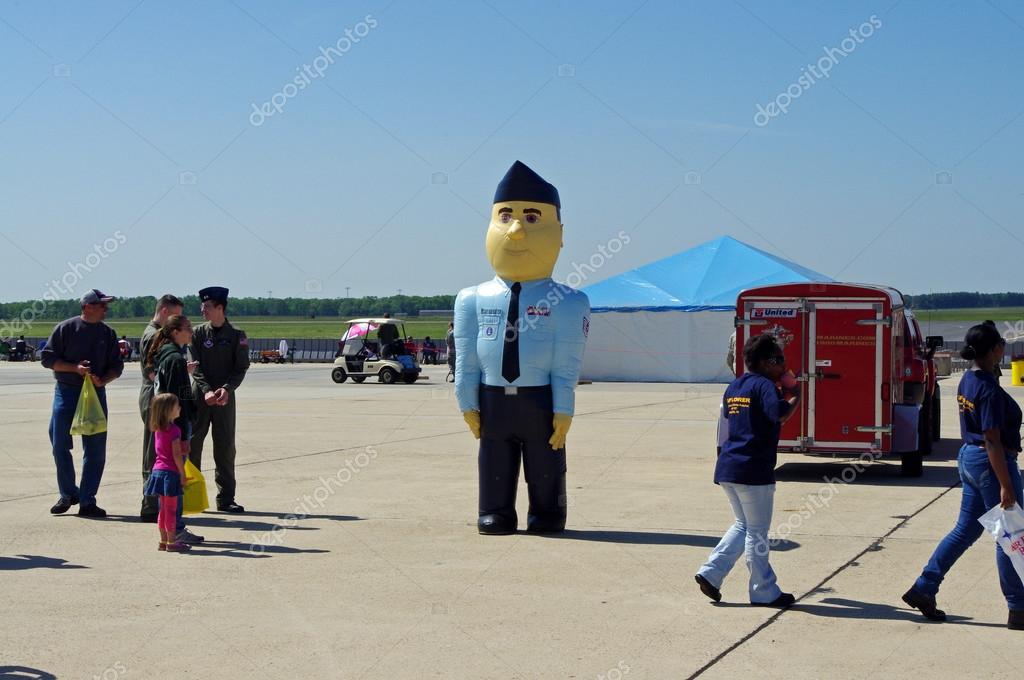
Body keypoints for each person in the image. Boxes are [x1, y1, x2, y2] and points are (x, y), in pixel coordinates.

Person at [454, 160, 590, 535]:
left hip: (539, 398)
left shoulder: (568, 301)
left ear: (559, 234)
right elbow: (466, 358)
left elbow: (566, 363)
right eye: (505, 216)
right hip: (493, 397)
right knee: (493, 460)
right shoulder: (472, 299)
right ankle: (495, 509)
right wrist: (466, 401)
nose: (515, 231)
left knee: (546, 460)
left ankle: (547, 511)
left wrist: (564, 408)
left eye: (532, 218)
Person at [903, 324, 1024, 630]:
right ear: (994, 350)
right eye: (1001, 345)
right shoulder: (987, 388)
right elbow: (993, 439)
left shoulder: (968, 380)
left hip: (970, 458)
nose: (1004, 349)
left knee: (966, 530)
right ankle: (1019, 607)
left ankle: (924, 587)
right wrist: (1006, 486)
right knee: (1009, 534)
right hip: (990, 461)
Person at [695, 334, 801, 608]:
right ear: (768, 362)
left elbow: (731, 421)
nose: (784, 366)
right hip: (754, 469)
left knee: (743, 525)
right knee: (757, 531)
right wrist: (796, 394)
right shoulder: (765, 386)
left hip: (729, 467)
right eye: (780, 360)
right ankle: (764, 591)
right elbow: (779, 414)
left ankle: (711, 573)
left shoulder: (735, 386)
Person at [40, 289, 124, 517]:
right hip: (66, 392)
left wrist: (102, 380)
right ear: (87, 306)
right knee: (59, 444)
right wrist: (74, 368)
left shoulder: (108, 333)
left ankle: (87, 500)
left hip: (96, 394)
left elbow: (117, 366)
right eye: (102, 305)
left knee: (95, 448)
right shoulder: (66, 328)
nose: (106, 309)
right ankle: (68, 493)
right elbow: (47, 359)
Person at [190, 286, 250, 513]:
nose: (202, 310)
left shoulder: (236, 336)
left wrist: (227, 388)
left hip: (225, 399)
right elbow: (194, 366)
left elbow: (241, 367)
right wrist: (205, 389)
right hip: (200, 398)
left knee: (225, 447)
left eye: (206, 306)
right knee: (193, 445)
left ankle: (226, 499)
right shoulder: (197, 334)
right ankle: (193, 497)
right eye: (202, 306)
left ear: (220, 308)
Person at [145, 314, 203, 545]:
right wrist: (187, 420)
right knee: (177, 481)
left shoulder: (165, 355)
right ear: (176, 331)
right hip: (177, 425)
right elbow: (182, 394)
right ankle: (176, 529)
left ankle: (169, 529)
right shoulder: (176, 358)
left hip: (165, 423)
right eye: (188, 328)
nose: (191, 332)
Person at [139, 294, 184, 522]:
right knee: (153, 452)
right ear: (165, 312)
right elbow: (153, 371)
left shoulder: (155, 333)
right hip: (155, 398)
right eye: (176, 315)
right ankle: (150, 505)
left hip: (157, 396)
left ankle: (155, 503)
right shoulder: (154, 335)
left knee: (157, 450)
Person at [145, 393, 192, 552]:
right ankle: (172, 542)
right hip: (170, 474)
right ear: (168, 411)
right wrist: (183, 474)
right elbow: (176, 455)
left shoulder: (157, 429)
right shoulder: (175, 430)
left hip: (158, 471)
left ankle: (163, 540)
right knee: (171, 510)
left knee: (162, 509)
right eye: (176, 406)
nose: (179, 408)